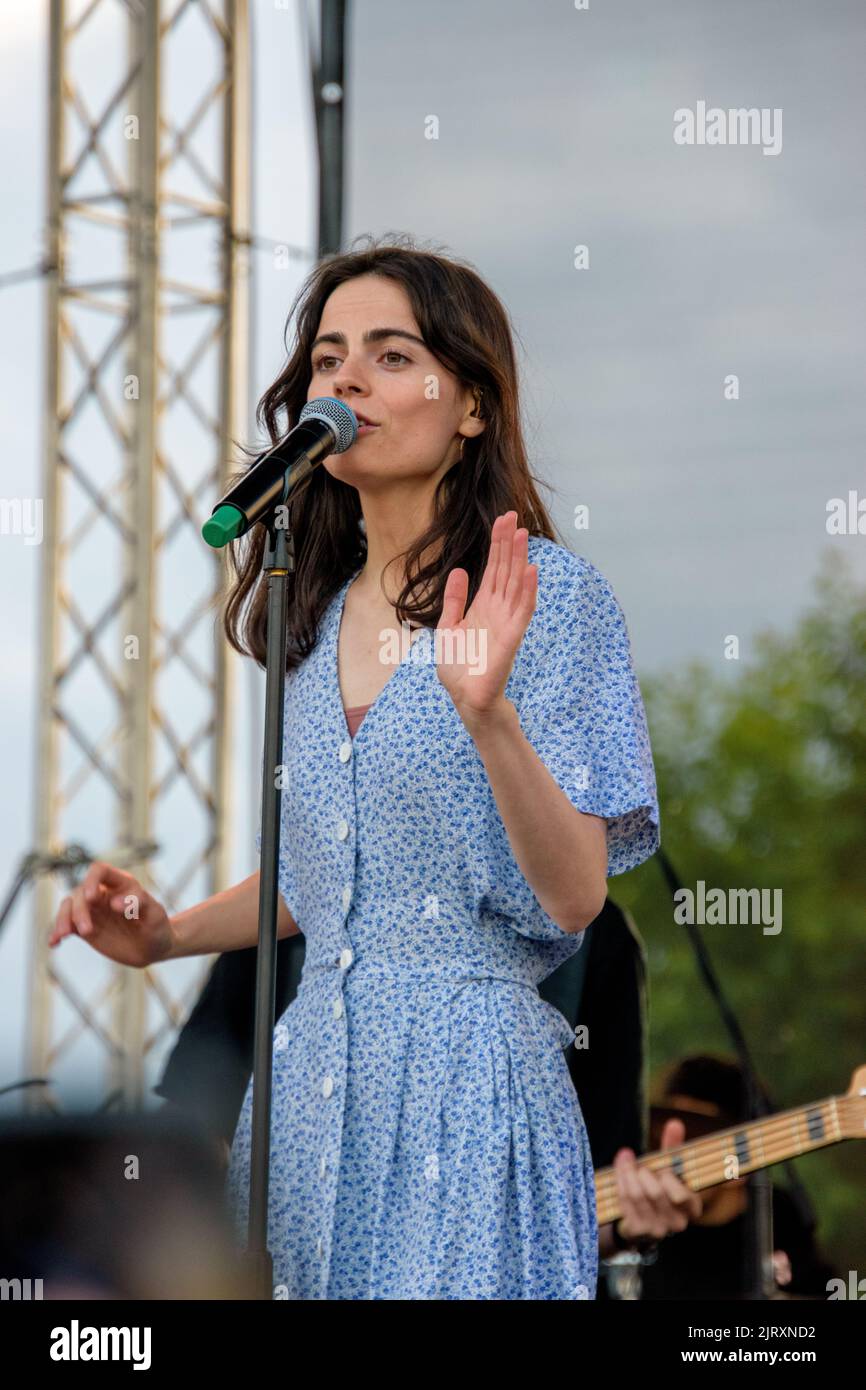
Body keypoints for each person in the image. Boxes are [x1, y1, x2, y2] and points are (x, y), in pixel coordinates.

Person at [50, 235, 687, 1300]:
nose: (343, 379)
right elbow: (326, 881)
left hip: (468, 1090)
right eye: (328, 356)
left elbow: (575, 893)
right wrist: (167, 936)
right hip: (304, 1102)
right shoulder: (307, 620)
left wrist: (486, 718)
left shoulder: (554, 600)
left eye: (390, 356)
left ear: (471, 404)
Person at [638, 1054, 838, 1300]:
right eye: (665, 1133)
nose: (674, 1150)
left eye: (695, 1136)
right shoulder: (647, 1228)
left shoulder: (780, 1223)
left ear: (744, 1155)